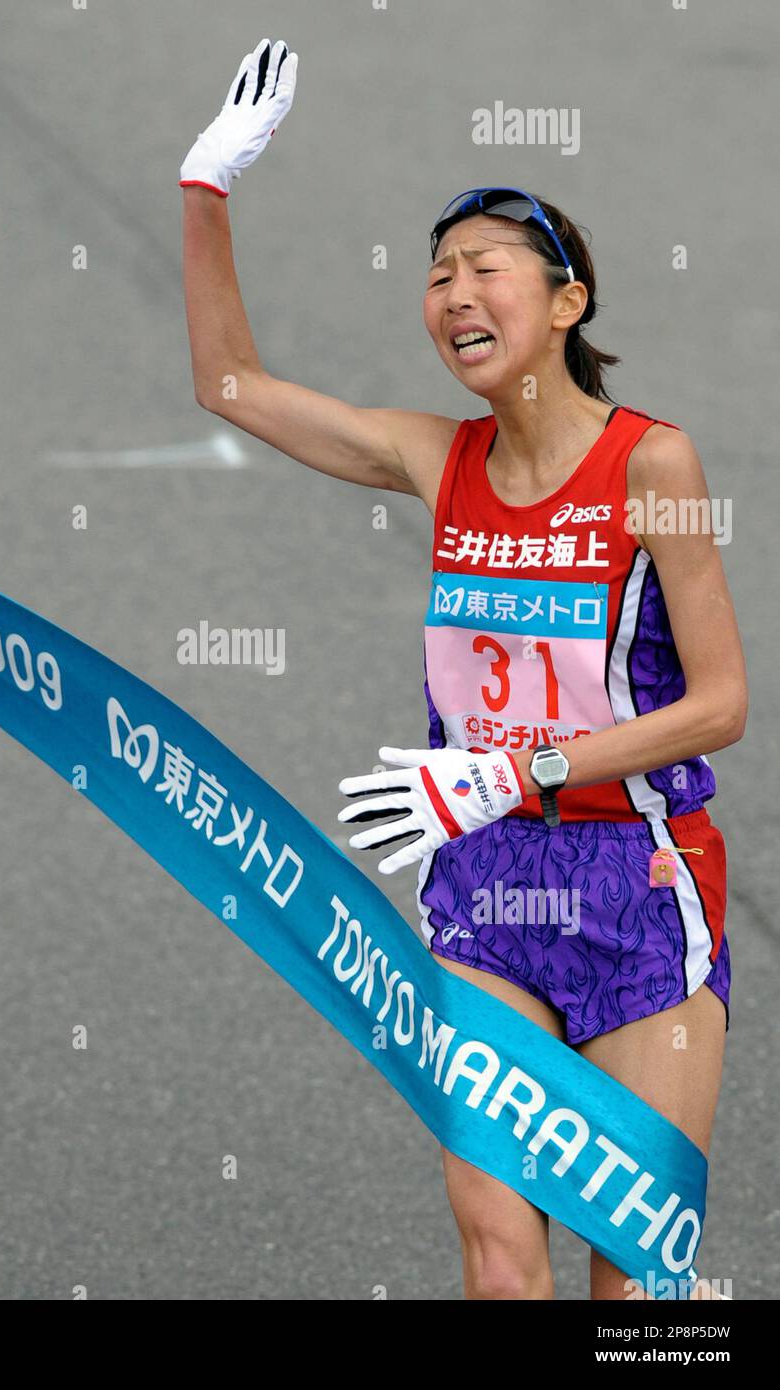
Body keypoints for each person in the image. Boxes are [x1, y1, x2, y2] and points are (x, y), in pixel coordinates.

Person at [180, 38, 747, 1300]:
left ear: (567, 302)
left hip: (640, 885)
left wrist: (516, 769)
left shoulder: (657, 466)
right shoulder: (433, 460)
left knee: (639, 1271)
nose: (451, 294)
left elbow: (723, 706)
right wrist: (205, 191)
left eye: (484, 268)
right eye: (437, 277)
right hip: (483, 885)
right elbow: (229, 383)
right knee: (498, 1263)